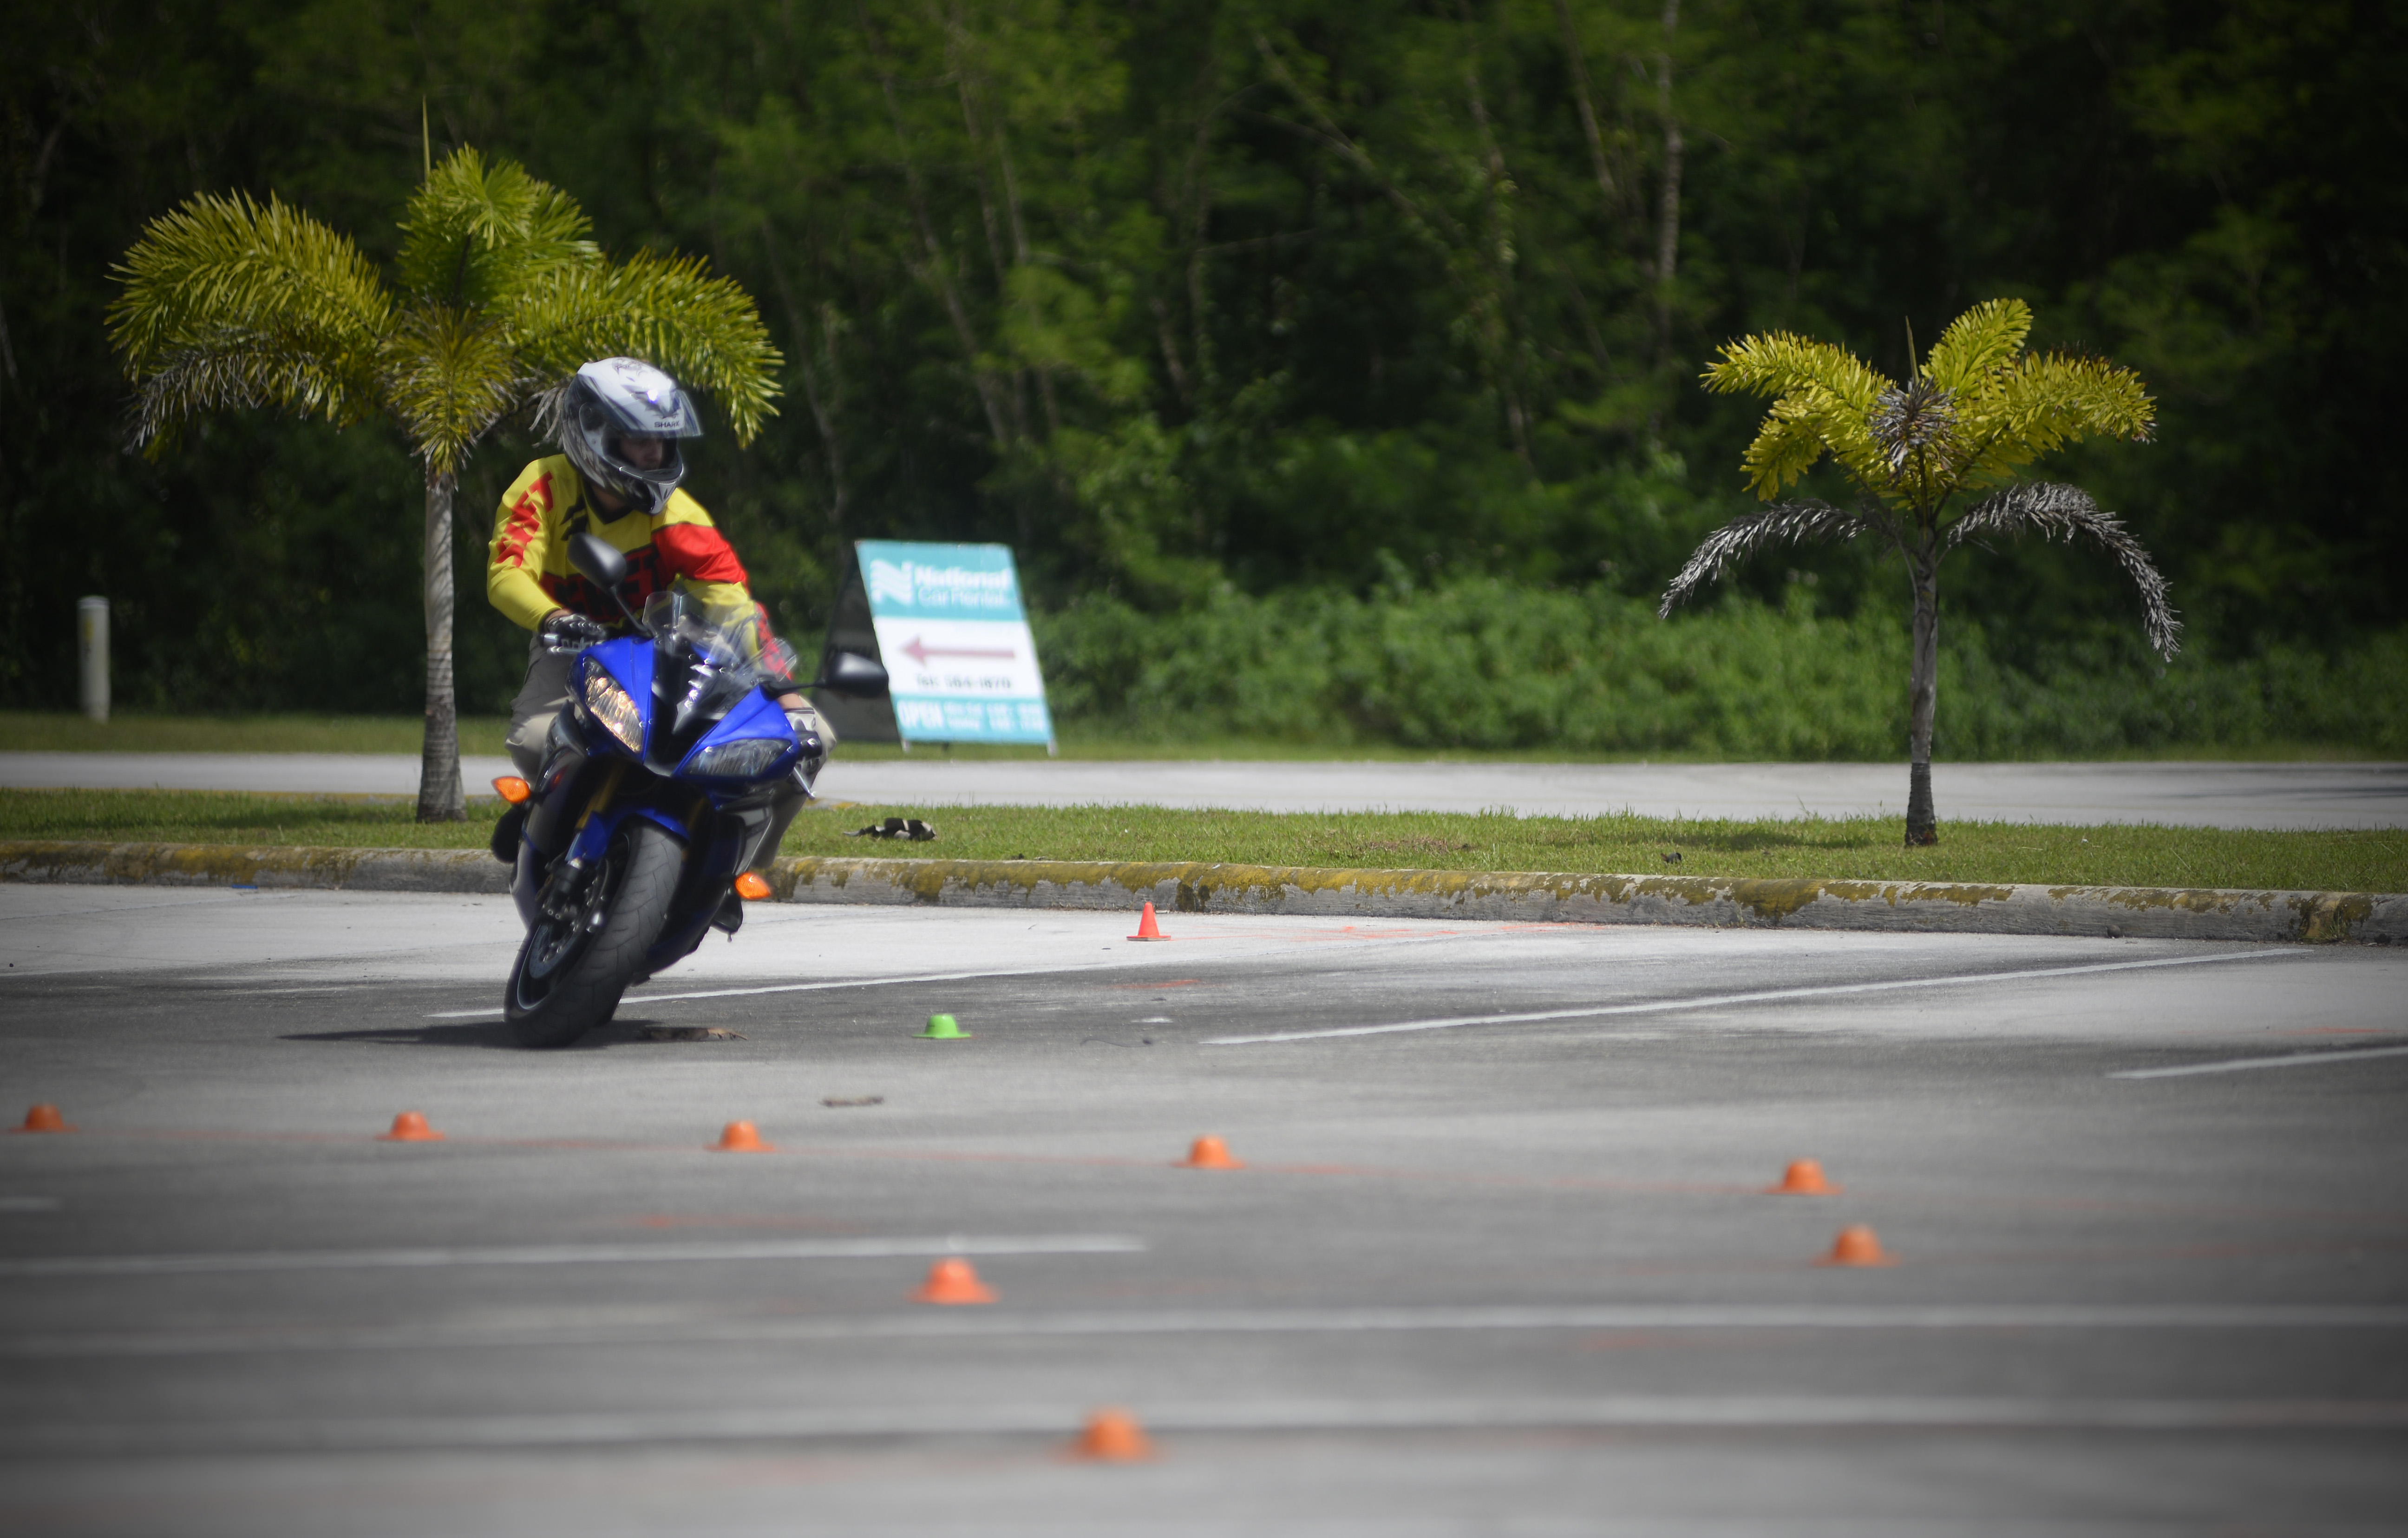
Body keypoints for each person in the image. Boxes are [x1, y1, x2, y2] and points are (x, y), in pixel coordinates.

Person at [485, 356, 831, 872]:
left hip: (667, 654)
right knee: (537, 738)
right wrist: (554, 619)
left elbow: (734, 603)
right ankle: (547, 824)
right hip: (571, 644)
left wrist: (785, 691)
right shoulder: (544, 486)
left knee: (810, 739)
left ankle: (735, 870)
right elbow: (506, 574)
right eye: (638, 439)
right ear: (594, 434)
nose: (655, 452)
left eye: (663, 440)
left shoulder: (681, 517)